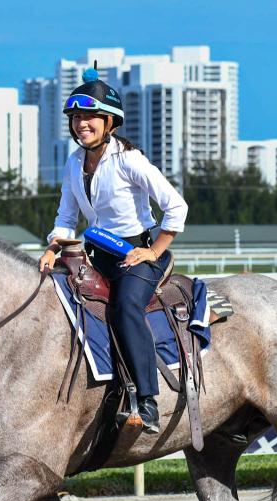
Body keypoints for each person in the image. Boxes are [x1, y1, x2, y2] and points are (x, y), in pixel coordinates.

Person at [38, 66, 188, 434]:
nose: (81, 124)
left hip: (136, 256)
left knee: (125, 307)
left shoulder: (129, 159)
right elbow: (66, 217)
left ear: (109, 122)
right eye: (76, 118)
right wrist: (52, 249)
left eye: (89, 117)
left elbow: (176, 206)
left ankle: (147, 402)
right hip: (96, 255)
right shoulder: (73, 162)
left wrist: (154, 252)